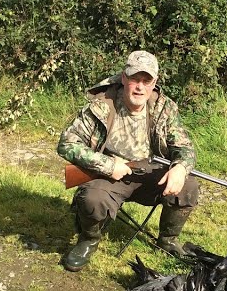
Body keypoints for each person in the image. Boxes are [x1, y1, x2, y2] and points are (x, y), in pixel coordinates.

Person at [56, 50, 200, 271]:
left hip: (151, 174)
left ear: (155, 82)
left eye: (146, 81)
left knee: (189, 185)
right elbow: (66, 144)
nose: (140, 87)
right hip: (109, 175)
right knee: (92, 198)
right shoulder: (101, 105)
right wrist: (108, 165)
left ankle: (168, 240)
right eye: (134, 79)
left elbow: (185, 147)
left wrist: (180, 167)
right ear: (124, 77)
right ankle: (88, 239)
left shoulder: (164, 107)